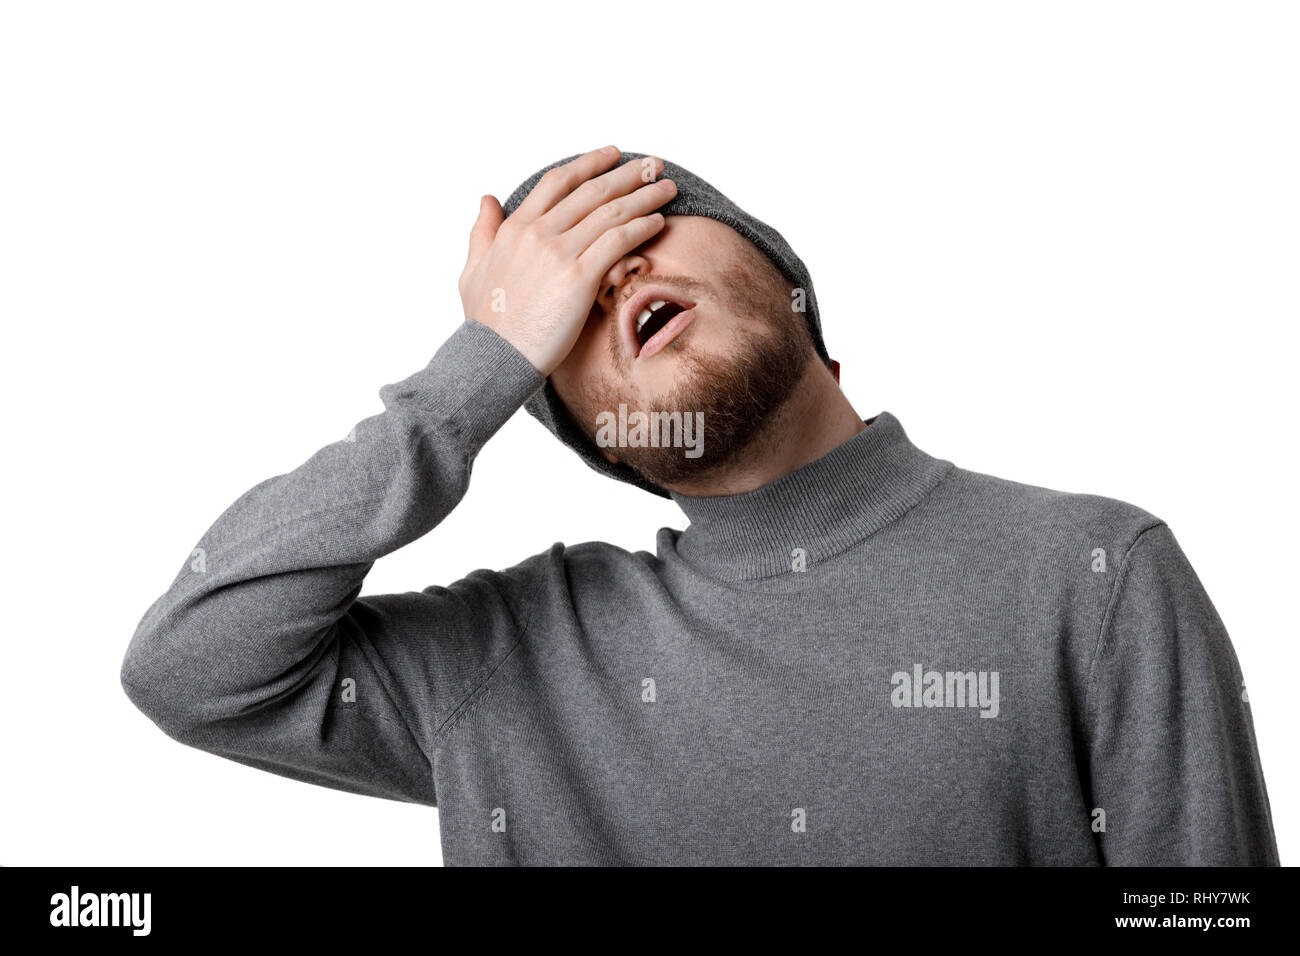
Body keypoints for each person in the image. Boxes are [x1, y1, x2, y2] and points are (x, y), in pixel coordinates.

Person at [122, 146, 1280, 866]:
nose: (613, 273)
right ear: (578, 424)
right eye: (561, 305)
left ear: (789, 282)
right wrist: (468, 377)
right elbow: (192, 666)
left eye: (639, 218)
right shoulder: (513, 657)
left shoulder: (1094, 572)